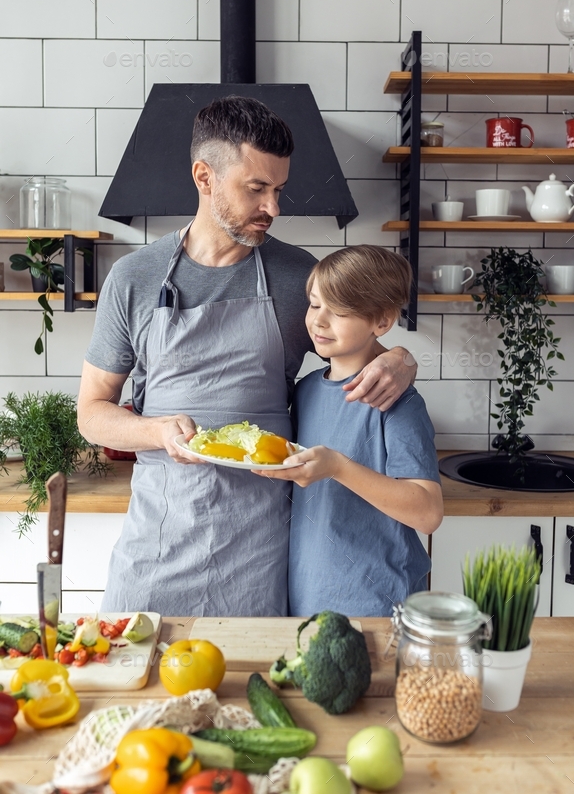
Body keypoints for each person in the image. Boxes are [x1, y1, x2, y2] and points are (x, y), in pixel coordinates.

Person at [77, 96, 417, 617]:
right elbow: (92, 413)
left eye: (278, 189)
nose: (274, 208)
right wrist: (158, 432)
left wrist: (399, 358)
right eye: (256, 188)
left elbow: (357, 337)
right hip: (159, 539)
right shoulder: (134, 278)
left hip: (259, 552)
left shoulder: (296, 276)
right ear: (204, 177)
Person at [256, 245, 443, 617]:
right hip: (308, 597)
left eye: (339, 311)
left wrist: (338, 467)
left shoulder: (399, 401)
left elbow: (428, 513)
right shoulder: (306, 390)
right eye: (314, 304)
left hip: (378, 604)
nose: (319, 321)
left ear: (382, 322)